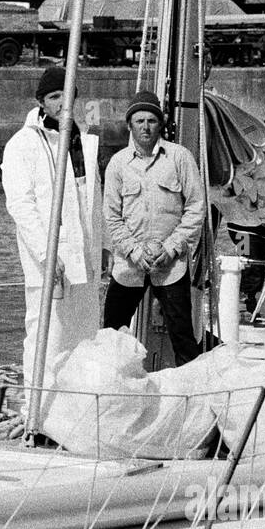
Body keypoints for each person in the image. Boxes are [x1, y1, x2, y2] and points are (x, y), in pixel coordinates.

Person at [2, 66, 102, 424]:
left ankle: (75, 415)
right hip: (50, 260)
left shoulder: (83, 140)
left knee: (85, 338)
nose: (62, 103)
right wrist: (48, 254)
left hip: (86, 258)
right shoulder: (22, 145)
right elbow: (21, 206)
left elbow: (91, 197)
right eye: (53, 97)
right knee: (46, 337)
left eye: (67, 95)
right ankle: (37, 414)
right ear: (41, 103)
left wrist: (101, 248)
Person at [102, 90, 204, 365]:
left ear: (160, 124)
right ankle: (111, 390)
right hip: (130, 264)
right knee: (110, 335)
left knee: (183, 336)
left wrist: (171, 249)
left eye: (151, 121)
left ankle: (192, 396)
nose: (145, 127)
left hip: (170, 265)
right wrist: (134, 252)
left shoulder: (179, 158)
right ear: (129, 125)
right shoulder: (118, 165)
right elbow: (111, 217)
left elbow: (196, 208)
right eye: (139, 121)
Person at [225, 119, 265, 317]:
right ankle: (243, 307)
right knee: (250, 267)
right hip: (245, 229)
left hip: (257, 229)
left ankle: (248, 305)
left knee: (255, 266)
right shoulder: (252, 164)